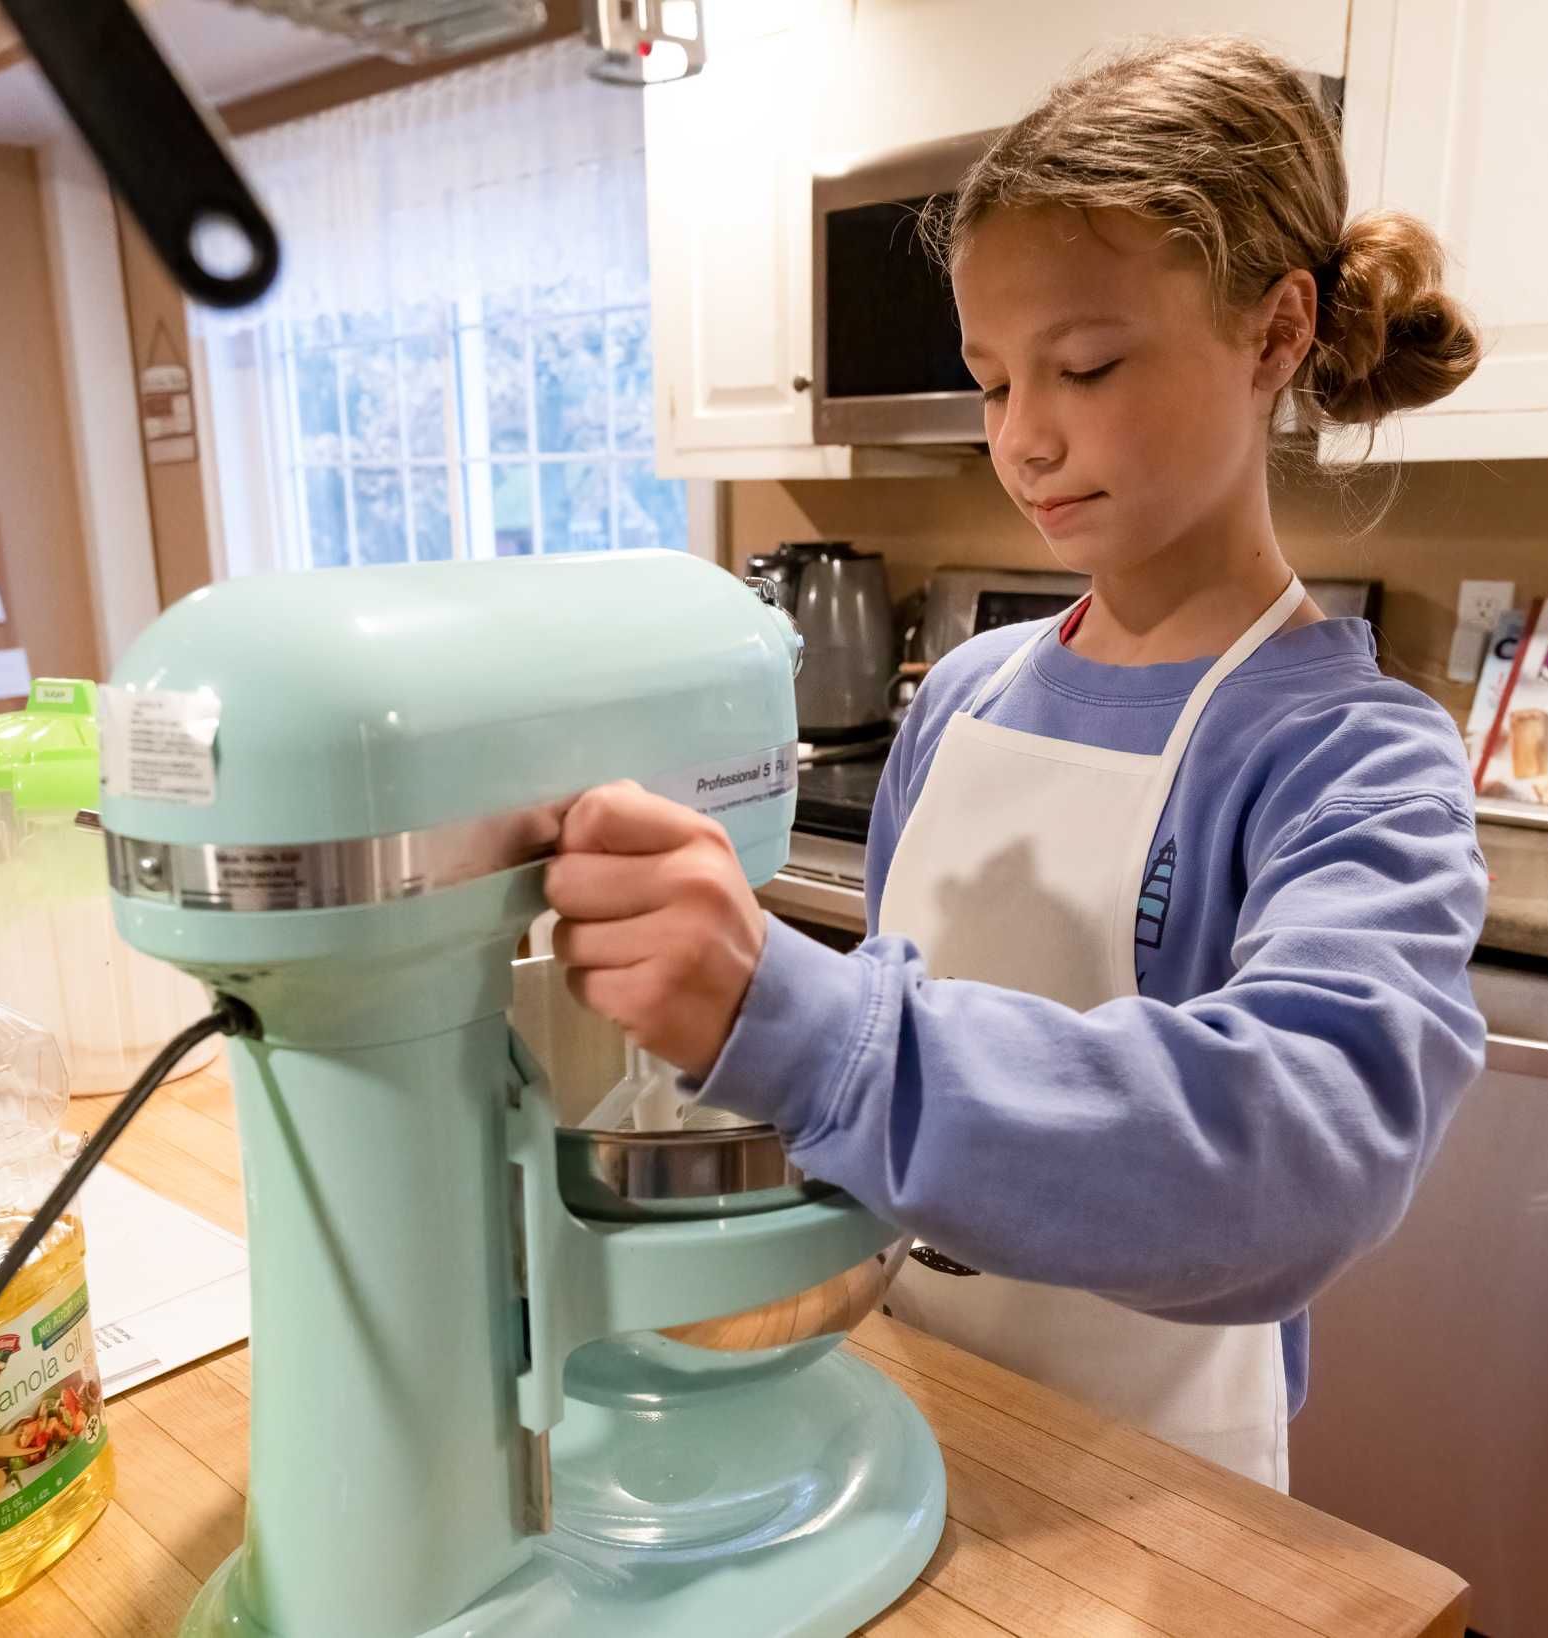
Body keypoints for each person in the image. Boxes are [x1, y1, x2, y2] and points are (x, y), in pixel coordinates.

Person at [543, 35, 1489, 1491]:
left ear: (1276, 335)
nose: (1026, 441)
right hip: (907, 1400)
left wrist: (803, 1025)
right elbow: (901, 1049)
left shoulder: (1349, 755)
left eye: (1087, 367)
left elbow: (1305, 1153)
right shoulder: (965, 695)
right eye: (991, 383)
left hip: (1159, 1480)